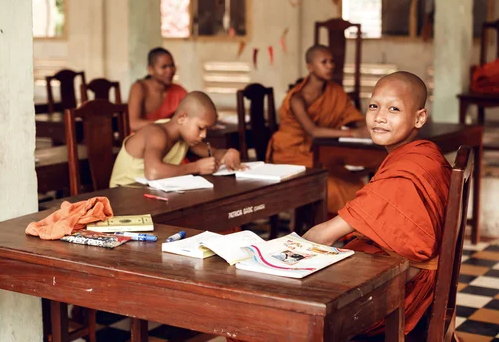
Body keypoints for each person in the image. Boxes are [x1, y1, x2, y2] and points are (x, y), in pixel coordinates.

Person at [303, 71, 451, 336]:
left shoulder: (410, 167)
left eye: (394, 109)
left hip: (407, 289)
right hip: (405, 274)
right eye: (374, 106)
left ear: (420, 117)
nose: (380, 117)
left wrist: (282, 256)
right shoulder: (424, 153)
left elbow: (324, 234)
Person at [267, 44, 370, 214]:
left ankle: (348, 230)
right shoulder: (297, 98)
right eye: (324, 62)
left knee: (354, 184)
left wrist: (367, 127)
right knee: (336, 186)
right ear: (310, 67)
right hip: (291, 154)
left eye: (331, 61)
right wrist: (355, 134)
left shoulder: (334, 92)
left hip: (319, 154)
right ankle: (335, 228)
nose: (330, 66)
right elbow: (313, 131)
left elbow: (352, 116)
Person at [110, 91, 242, 187]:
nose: (203, 135)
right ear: (182, 118)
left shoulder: (184, 136)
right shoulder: (156, 133)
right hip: (124, 194)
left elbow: (213, 153)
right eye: (201, 128)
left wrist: (229, 153)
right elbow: (153, 172)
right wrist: (196, 167)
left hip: (147, 193)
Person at [127, 47, 188, 132]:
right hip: (142, 141)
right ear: (150, 70)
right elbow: (133, 124)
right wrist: (167, 125)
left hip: (169, 141)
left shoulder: (179, 91)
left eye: (172, 65)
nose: (169, 70)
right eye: (164, 67)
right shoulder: (139, 88)